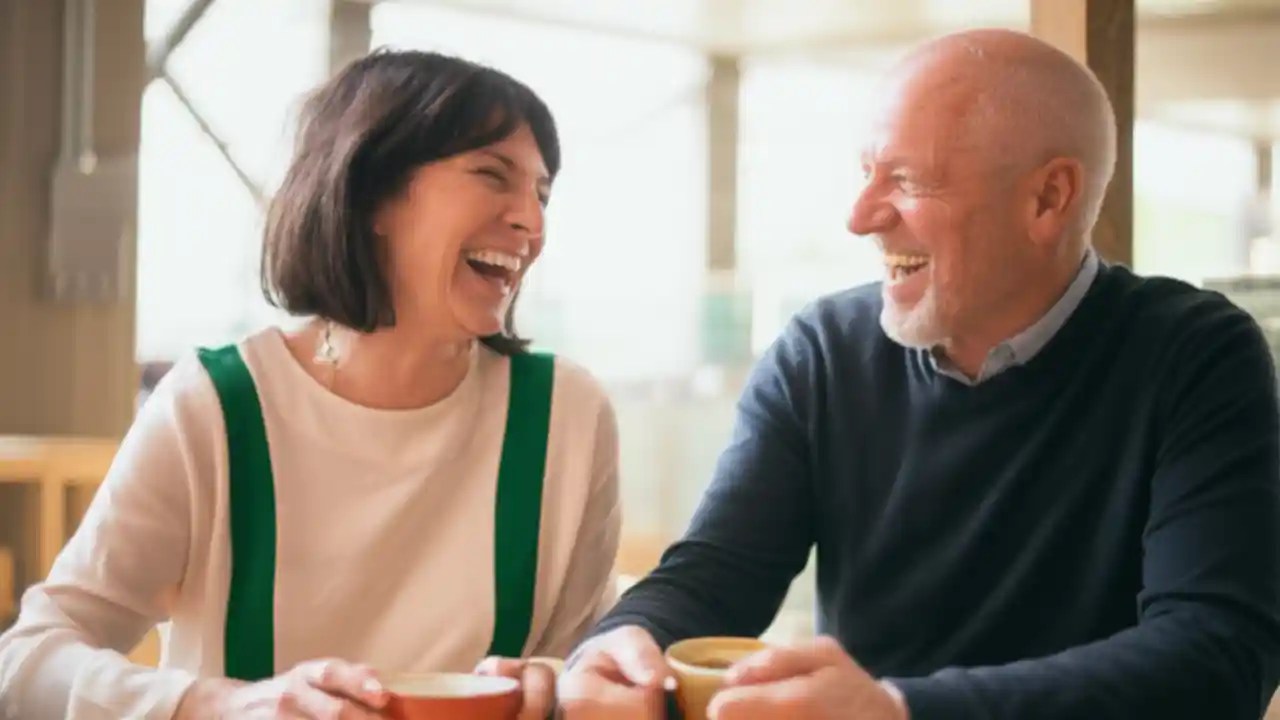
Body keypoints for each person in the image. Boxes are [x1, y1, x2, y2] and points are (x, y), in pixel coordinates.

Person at [559, 28, 1280, 720]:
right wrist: (627, 642)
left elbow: (1215, 658)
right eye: (866, 173)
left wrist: (900, 711)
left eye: (906, 179)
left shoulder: (1195, 355)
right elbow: (716, 574)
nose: (860, 216)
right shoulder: (824, 351)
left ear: (1048, 200)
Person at [0, 49, 620, 720]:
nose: (532, 223)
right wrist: (216, 706)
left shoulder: (567, 416)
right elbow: (27, 663)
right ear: (372, 193)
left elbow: (585, 662)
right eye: (492, 176)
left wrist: (562, 687)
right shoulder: (217, 405)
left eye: (542, 193)